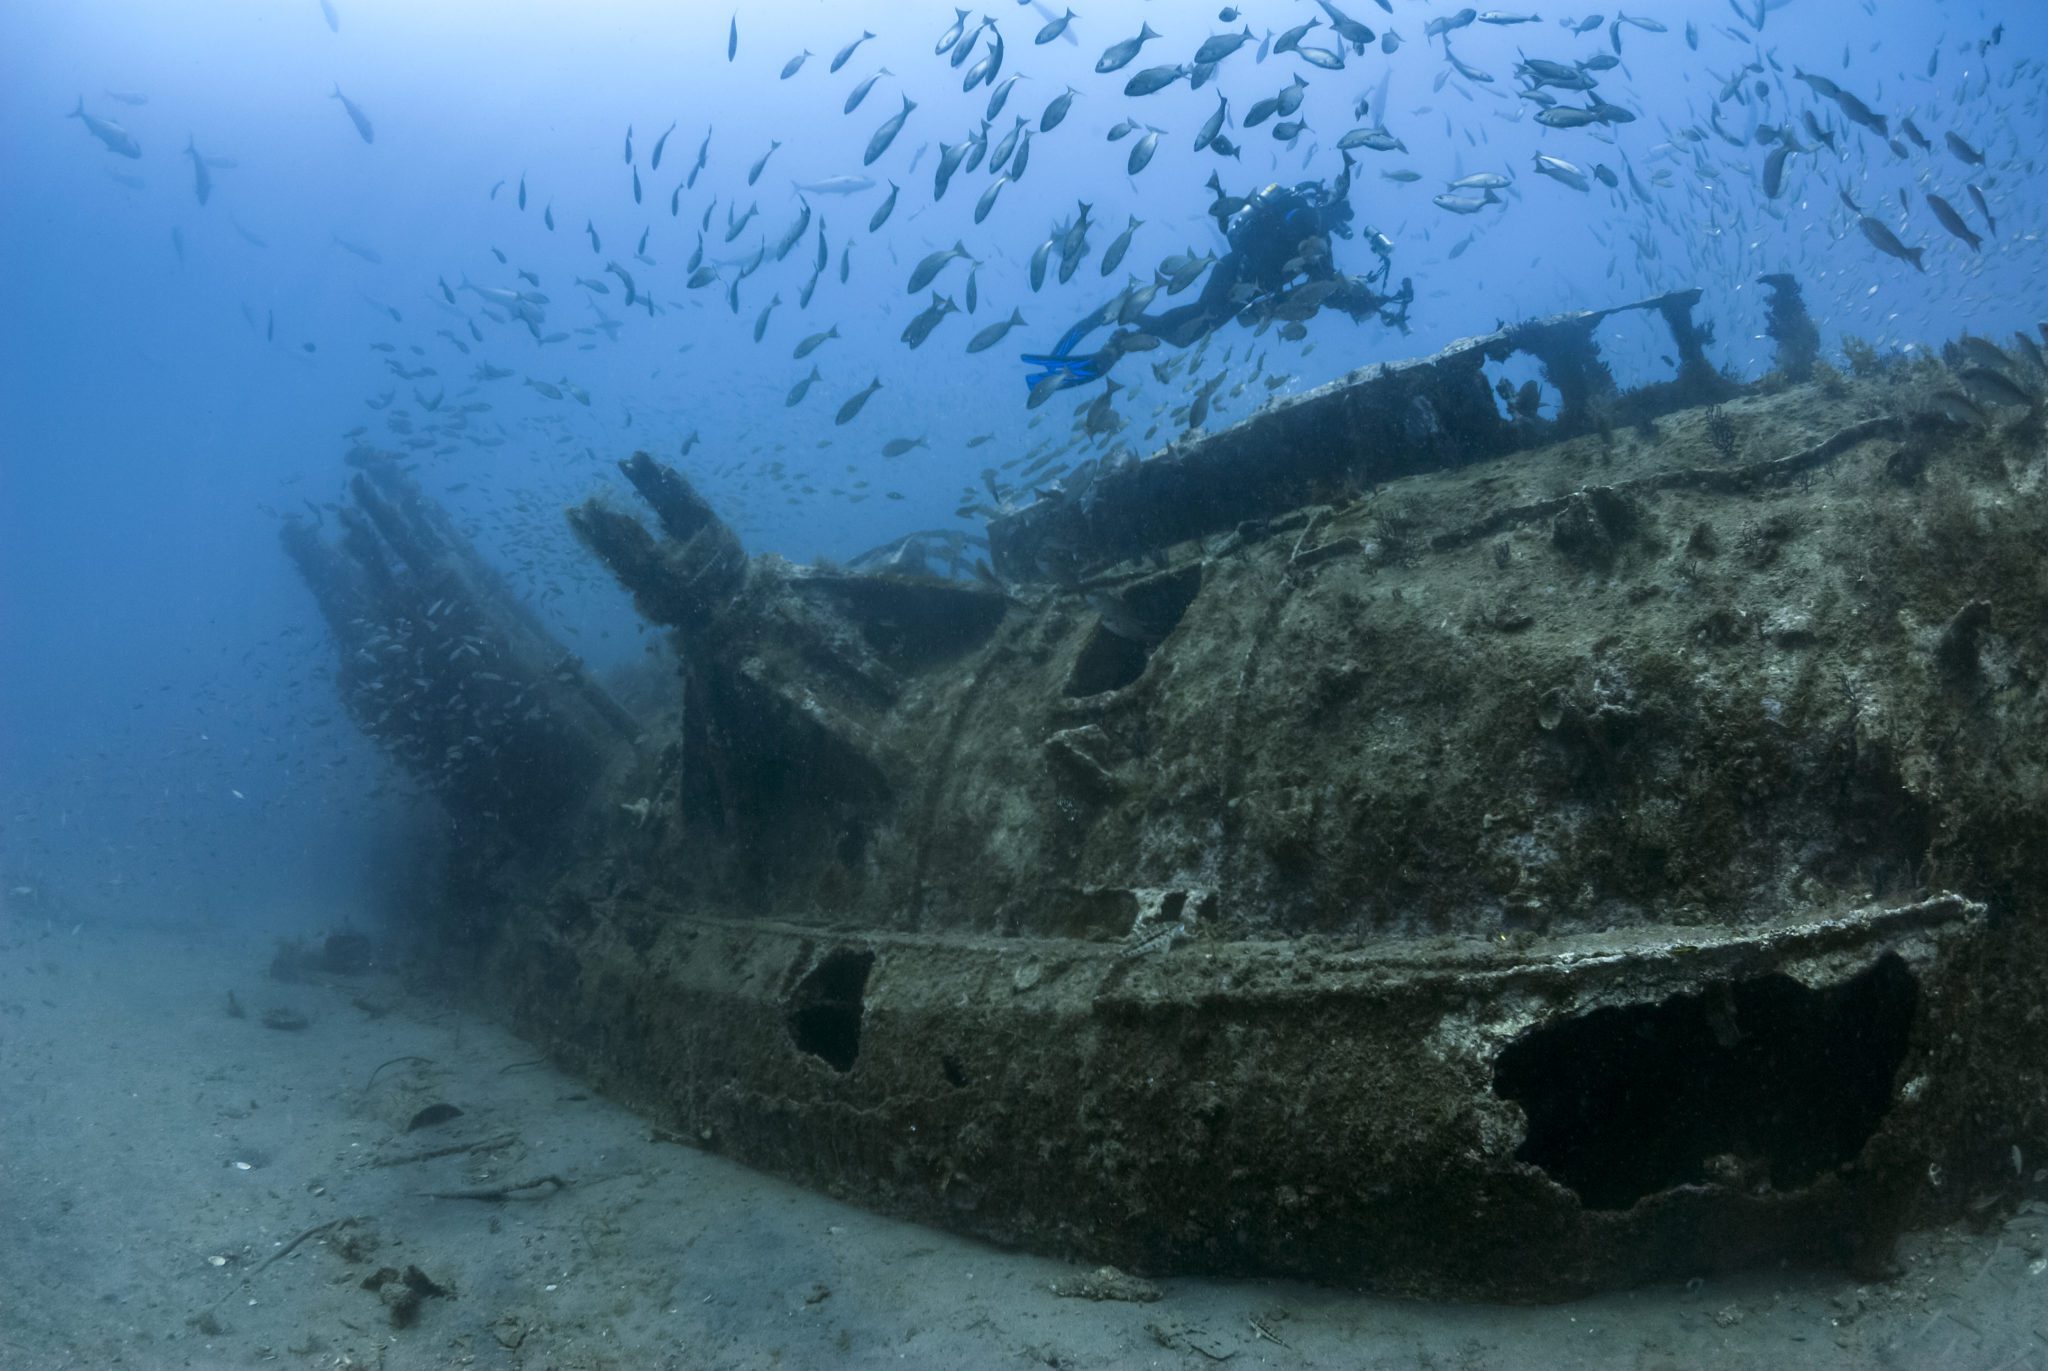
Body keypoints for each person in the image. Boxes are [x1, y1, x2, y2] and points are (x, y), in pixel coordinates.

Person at [1023, 159, 1413, 396]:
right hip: (1238, 278)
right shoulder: (1311, 226)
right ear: (1333, 212)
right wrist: (1363, 299)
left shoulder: (1305, 223)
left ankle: (1119, 329)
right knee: (1188, 329)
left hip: (1239, 276)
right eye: (1342, 220)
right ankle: (1118, 323)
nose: (1341, 230)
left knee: (1187, 330)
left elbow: (1313, 283)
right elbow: (1322, 286)